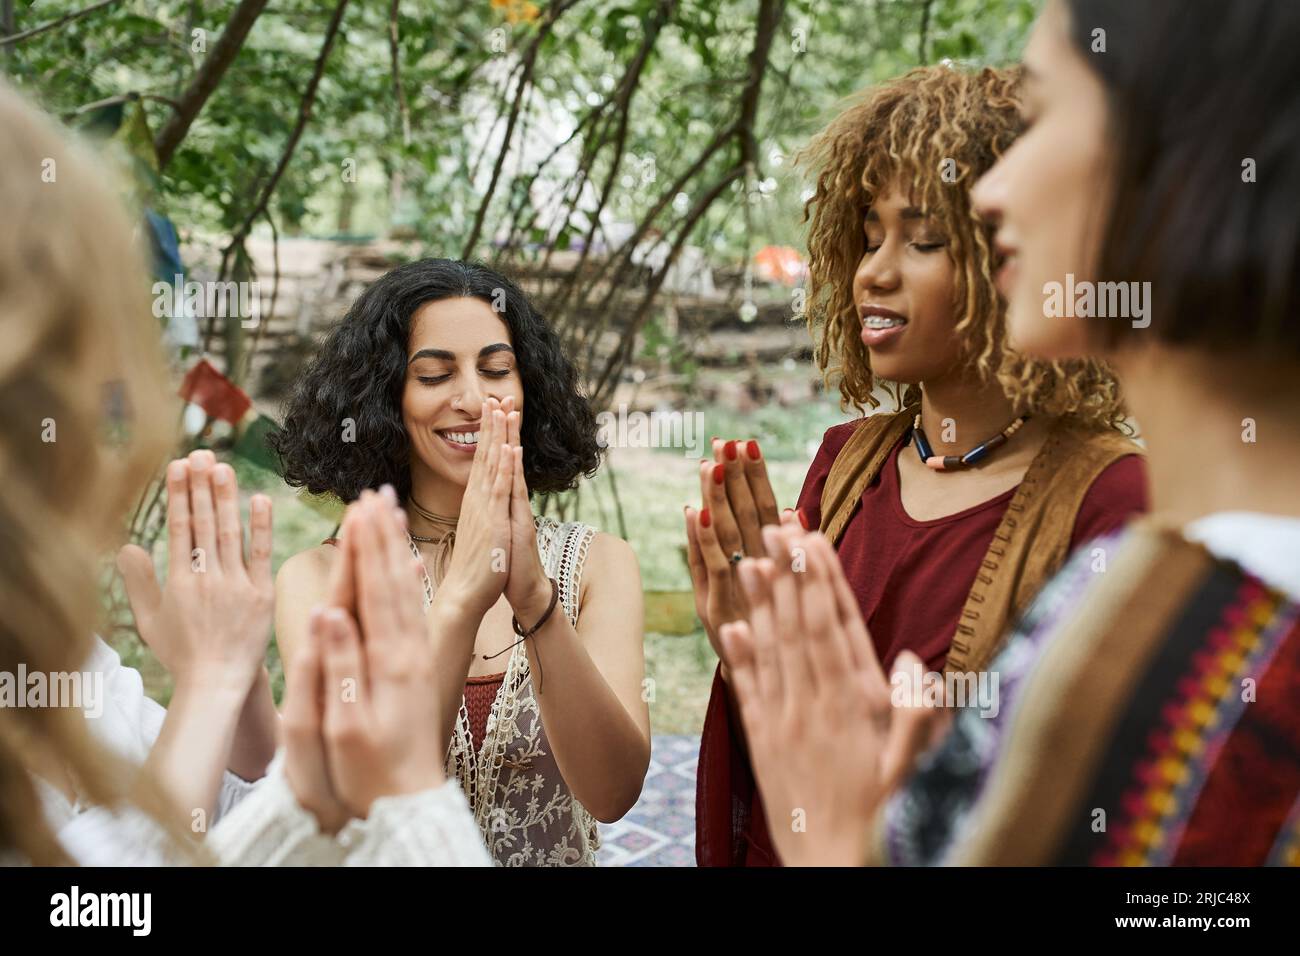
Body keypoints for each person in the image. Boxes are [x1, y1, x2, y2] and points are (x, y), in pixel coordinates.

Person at [719, 0, 1300, 867]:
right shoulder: (1161, 594)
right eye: (867, 236)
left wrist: (846, 847)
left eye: (1045, 116)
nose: (995, 192)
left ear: (1173, 165)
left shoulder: (1196, 628)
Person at [0, 78, 488, 867]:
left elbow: (219, 816)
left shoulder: (59, 654)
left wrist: (237, 678)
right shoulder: (313, 572)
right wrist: (214, 680)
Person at [687, 64, 1147, 866]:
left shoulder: (1112, 501)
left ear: (1016, 260)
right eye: (868, 238)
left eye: (924, 240)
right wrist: (750, 654)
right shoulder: (845, 463)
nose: (874, 271)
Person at [272, 259, 651, 865]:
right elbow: (373, 803)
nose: (473, 399)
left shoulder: (598, 566)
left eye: (497, 370)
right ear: (385, 398)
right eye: (433, 375)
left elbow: (613, 793)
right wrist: (462, 598)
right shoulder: (319, 581)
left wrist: (535, 602)